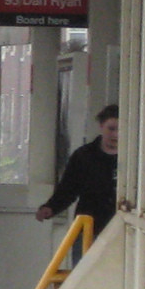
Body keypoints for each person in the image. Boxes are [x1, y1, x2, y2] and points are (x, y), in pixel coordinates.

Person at [35, 104, 119, 256]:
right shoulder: (84, 156)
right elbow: (68, 188)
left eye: (120, 129)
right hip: (88, 228)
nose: (116, 135)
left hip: (121, 231)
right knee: (83, 275)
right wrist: (51, 207)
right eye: (111, 129)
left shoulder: (135, 160)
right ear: (101, 126)